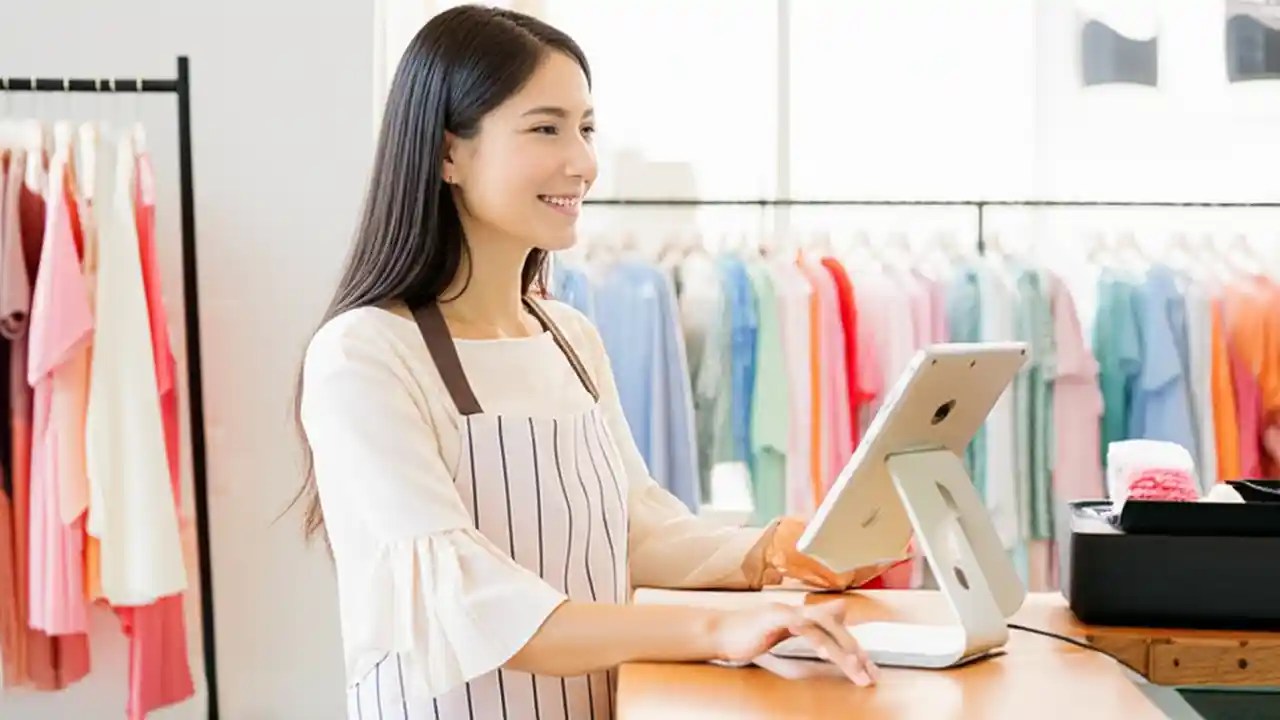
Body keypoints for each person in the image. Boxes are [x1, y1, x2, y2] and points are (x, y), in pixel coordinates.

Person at [295, 6, 888, 718]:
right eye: (546, 128)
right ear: (447, 153)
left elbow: (631, 530)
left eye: (586, 127)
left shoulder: (570, 335)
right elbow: (469, 598)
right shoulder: (363, 356)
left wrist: (772, 551)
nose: (583, 161)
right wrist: (717, 627)